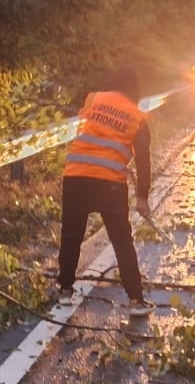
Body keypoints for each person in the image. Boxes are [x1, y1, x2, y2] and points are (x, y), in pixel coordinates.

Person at [57, 68, 155, 317]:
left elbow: (91, 128)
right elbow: (143, 159)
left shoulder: (95, 99)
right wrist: (142, 197)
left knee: (71, 235)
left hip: (76, 176)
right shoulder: (137, 117)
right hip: (109, 184)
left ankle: (65, 291)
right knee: (121, 240)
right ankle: (136, 300)